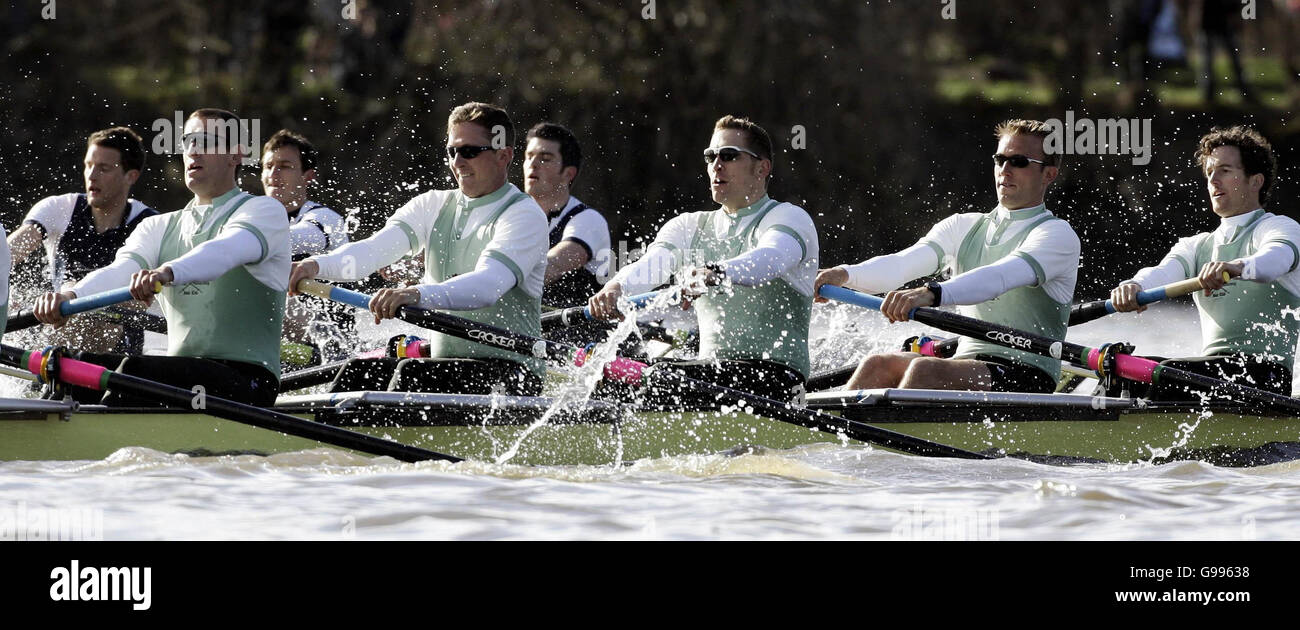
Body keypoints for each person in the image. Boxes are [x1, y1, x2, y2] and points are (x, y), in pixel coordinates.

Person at [288, 102, 549, 396]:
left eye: (470, 151)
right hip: (447, 368)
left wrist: (415, 294)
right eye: (452, 151)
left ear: (504, 155)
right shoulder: (432, 205)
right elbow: (372, 252)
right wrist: (314, 266)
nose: (458, 162)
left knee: (405, 376)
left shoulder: (523, 215)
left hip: (513, 373)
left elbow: (488, 285)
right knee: (358, 374)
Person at [34, 108, 289, 407]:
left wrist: (166, 272)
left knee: (132, 371)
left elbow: (224, 251)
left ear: (235, 155)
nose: (193, 151)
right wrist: (70, 296)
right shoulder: (159, 225)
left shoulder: (264, 212)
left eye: (205, 141)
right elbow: (121, 270)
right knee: (65, 366)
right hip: (182, 379)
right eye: (188, 142)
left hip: (247, 380)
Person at [816, 119, 1080, 393]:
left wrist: (931, 293)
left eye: (1019, 162)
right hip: (967, 361)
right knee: (877, 364)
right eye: (1000, 159)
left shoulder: (1057, 236)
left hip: (1027, 372)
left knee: (925, 369)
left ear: (1049, 174)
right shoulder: (962, 226)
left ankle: (885, 429)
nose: (1005, 170)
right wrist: (845, 274)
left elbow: (999, 277)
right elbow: (902, 263)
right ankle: (838, 433)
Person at [588, 115, 819, 406]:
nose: (716, 165)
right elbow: (652, 264)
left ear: (762, 168)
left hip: (776, 379)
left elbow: (768, 260)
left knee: (657, 378)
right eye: (711, 156)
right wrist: (616, 288)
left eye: (730, 156)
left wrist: (715, 272)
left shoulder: (788, 217)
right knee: (605, 375)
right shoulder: (689, 227)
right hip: (713, 376)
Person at [1110, 125, 1297, 399]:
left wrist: (1236, 267)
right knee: (1121, 370)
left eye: (1224, 170)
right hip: (1213, 374)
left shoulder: (1279, 228)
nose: (1213, 181)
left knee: (1163, 373)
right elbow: (1162, 272)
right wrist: (1134, 285)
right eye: (1209, 173)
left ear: (1255, 181)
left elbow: (1276, 259)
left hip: (1264, 376)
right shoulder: (1197, 246)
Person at [7, 127, 158, 353]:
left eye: (104, 168)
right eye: (89, 165)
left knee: (99, 301)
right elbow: (9, 252)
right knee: (68, 295)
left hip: (121, 350)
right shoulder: (59, 208)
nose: (91, 175)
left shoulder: (151, 224)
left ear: (131, 176)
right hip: (59, 332)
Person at [259, 129, 353, 361]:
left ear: (307, 176)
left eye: (285, 166)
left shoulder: (326, 218)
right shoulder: (254, 221)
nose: (274, 174)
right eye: (268, 166)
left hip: (327, 349)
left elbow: (293, 239)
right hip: (274, 343)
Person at [522, 122, 611, 308]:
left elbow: (554, 265)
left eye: (545, 159)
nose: (533, 164)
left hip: (578, 334)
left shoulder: (589, 220)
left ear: (568, 174)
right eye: (529, 157)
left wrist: (496, 282)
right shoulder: (513, 217)